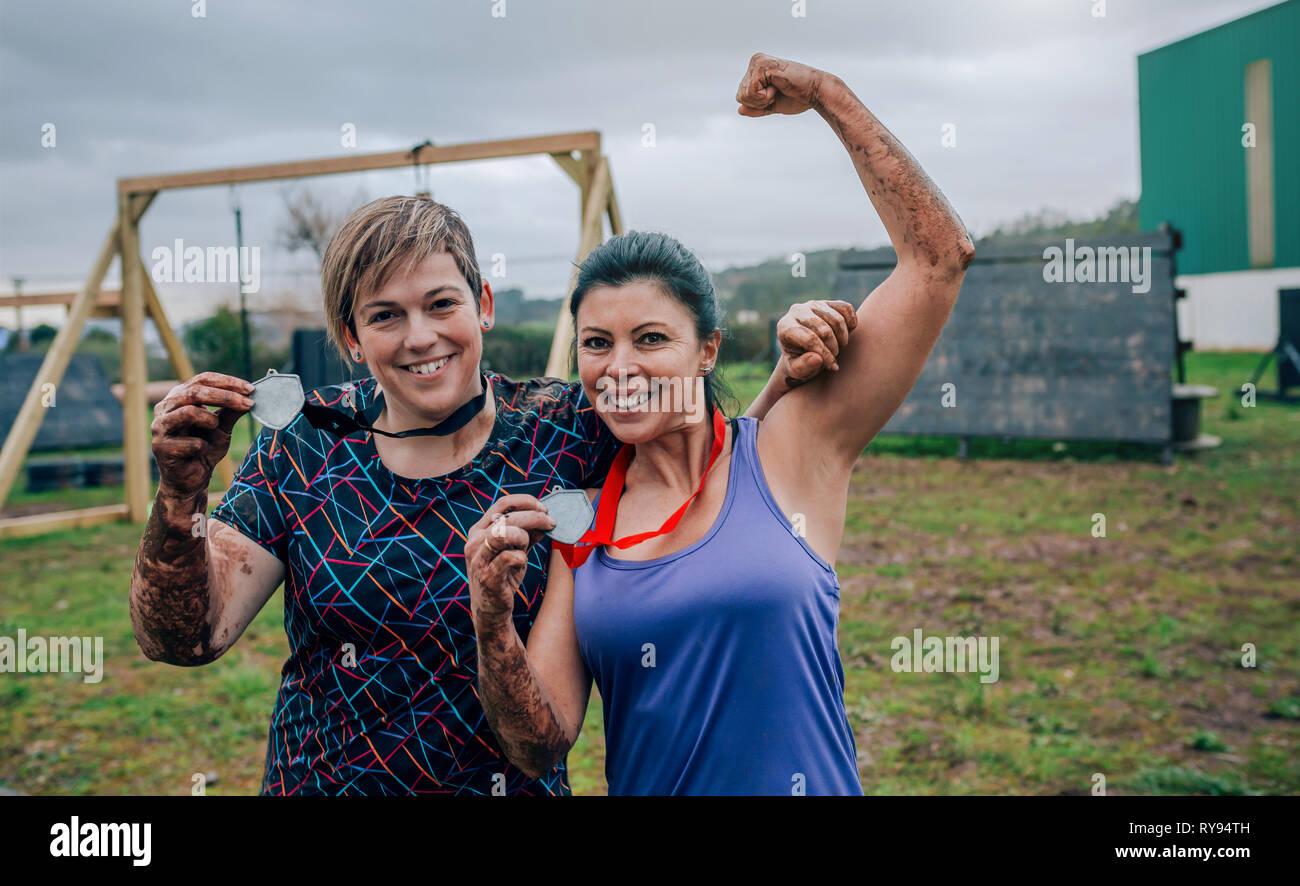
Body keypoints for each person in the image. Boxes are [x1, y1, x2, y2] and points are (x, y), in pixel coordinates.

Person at [127, 192, 854, 795]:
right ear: (351, 337)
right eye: (384, 315)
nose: (420, 337)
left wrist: (792, 365)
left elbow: (708, 458)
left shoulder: (567, 431)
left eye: (441, 303)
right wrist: (180, 500)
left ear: (484, 305)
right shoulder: (306, 445)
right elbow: (184, 637)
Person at [465, 52, 975, 795]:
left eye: (651, 338)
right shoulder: (581, 525)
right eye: (597, 344)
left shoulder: (790, 451)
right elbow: (537, 747)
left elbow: (938, 258)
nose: (620, 367)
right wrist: (491, 622)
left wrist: (831, 96)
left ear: (707, 348)